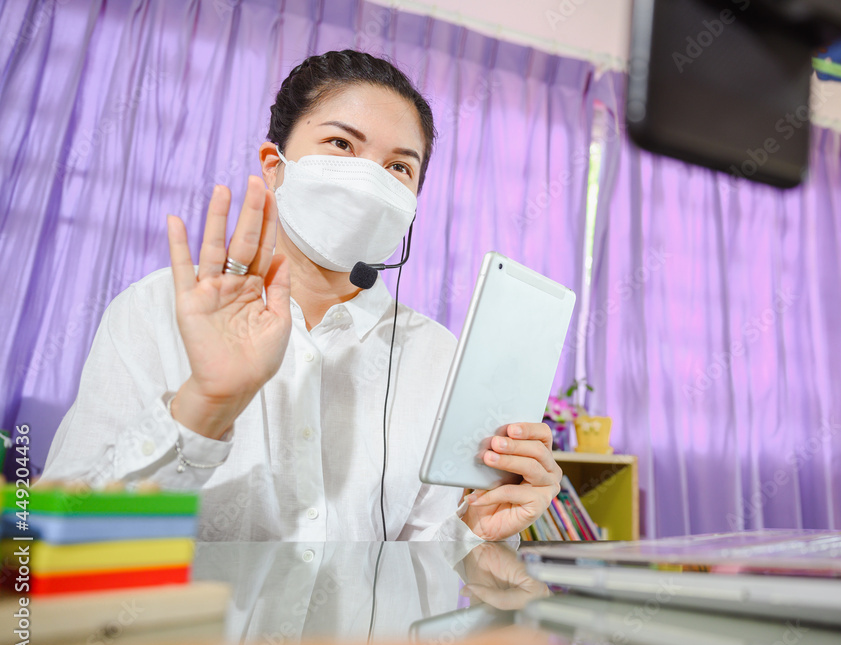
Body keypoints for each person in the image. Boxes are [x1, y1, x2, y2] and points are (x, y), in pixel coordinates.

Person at [42, 50, 562, 542]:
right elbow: (56, 535)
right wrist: (204, 408)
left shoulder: (439, 358)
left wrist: (470, 530)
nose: (368, 181)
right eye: (341, 145)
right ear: (275, 164)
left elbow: (416, 575)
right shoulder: (156, 311)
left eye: (399, 167)